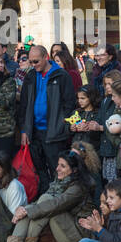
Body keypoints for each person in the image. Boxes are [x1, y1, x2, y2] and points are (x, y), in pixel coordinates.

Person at [18, 45, 76, 194]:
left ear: (46, 58)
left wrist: (62, 124)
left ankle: (59, 200)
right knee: (39, 169)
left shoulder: (61, 75)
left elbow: (69, 103)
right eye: (30, 62)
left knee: (57, 169)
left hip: (54, 132)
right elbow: (24, 105)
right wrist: (24, 130)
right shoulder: (31, 76)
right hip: (34, 131)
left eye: (36, 61)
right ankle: (44, 198)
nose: (33, 65)